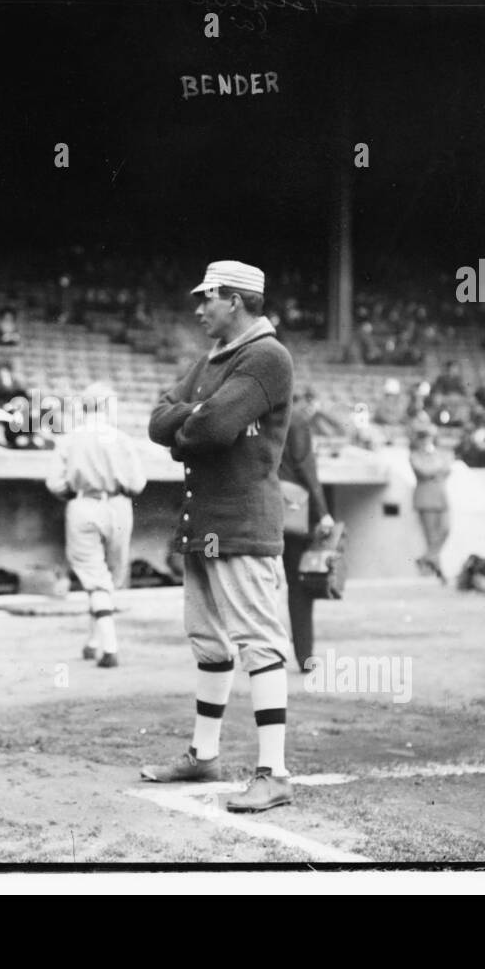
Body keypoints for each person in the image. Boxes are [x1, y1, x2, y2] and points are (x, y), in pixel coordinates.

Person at [142, 259, 297, 814]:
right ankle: (204, 754)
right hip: (203, 523)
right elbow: (159, 421)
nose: (199, 307)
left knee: (259, 641)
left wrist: (193, 425)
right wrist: (195, 421)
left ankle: (273, 771)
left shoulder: (267, 356)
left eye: (207, 297)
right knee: (208, 642)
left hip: (243, 522)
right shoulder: (212, 359)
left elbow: (213, 428)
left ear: (234, 300)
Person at [44, 382, 147, 668]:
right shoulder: (122, 438)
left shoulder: (69, 438)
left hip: (83, 504)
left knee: (95, 577)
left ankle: (102, 643)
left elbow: (55, 483)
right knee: (107, 578)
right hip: (118, 506)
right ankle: (102, 644)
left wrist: (73, 494)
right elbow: (138, 484)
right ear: (106, 406)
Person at [277, 401, 336, 671]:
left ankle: (260, 654)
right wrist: (322, 512)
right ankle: (304, 655)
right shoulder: (296, 419)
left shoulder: (254, 413)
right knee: (299, 587)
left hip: (261, 506)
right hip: (294, 510)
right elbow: (305, 467)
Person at [409, 426, 451, 581]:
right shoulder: (415, 455)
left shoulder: (438, 454)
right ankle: (439, 573)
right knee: (432, 537)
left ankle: (426, 559)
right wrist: (436, 471)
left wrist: (434, 470)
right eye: (425, 438)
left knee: (446, 530)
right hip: (426, 499)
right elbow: (423, 472)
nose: (428, 441)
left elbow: (447, 469)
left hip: (440, 497)